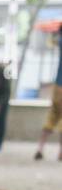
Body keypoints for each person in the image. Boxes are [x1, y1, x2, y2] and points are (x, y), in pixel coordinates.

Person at [35, 29, 62, 161]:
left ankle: (40, 148)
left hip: (57, 86)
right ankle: (61, 152)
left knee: (51, 118)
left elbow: (53, 41)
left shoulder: (59, 41)